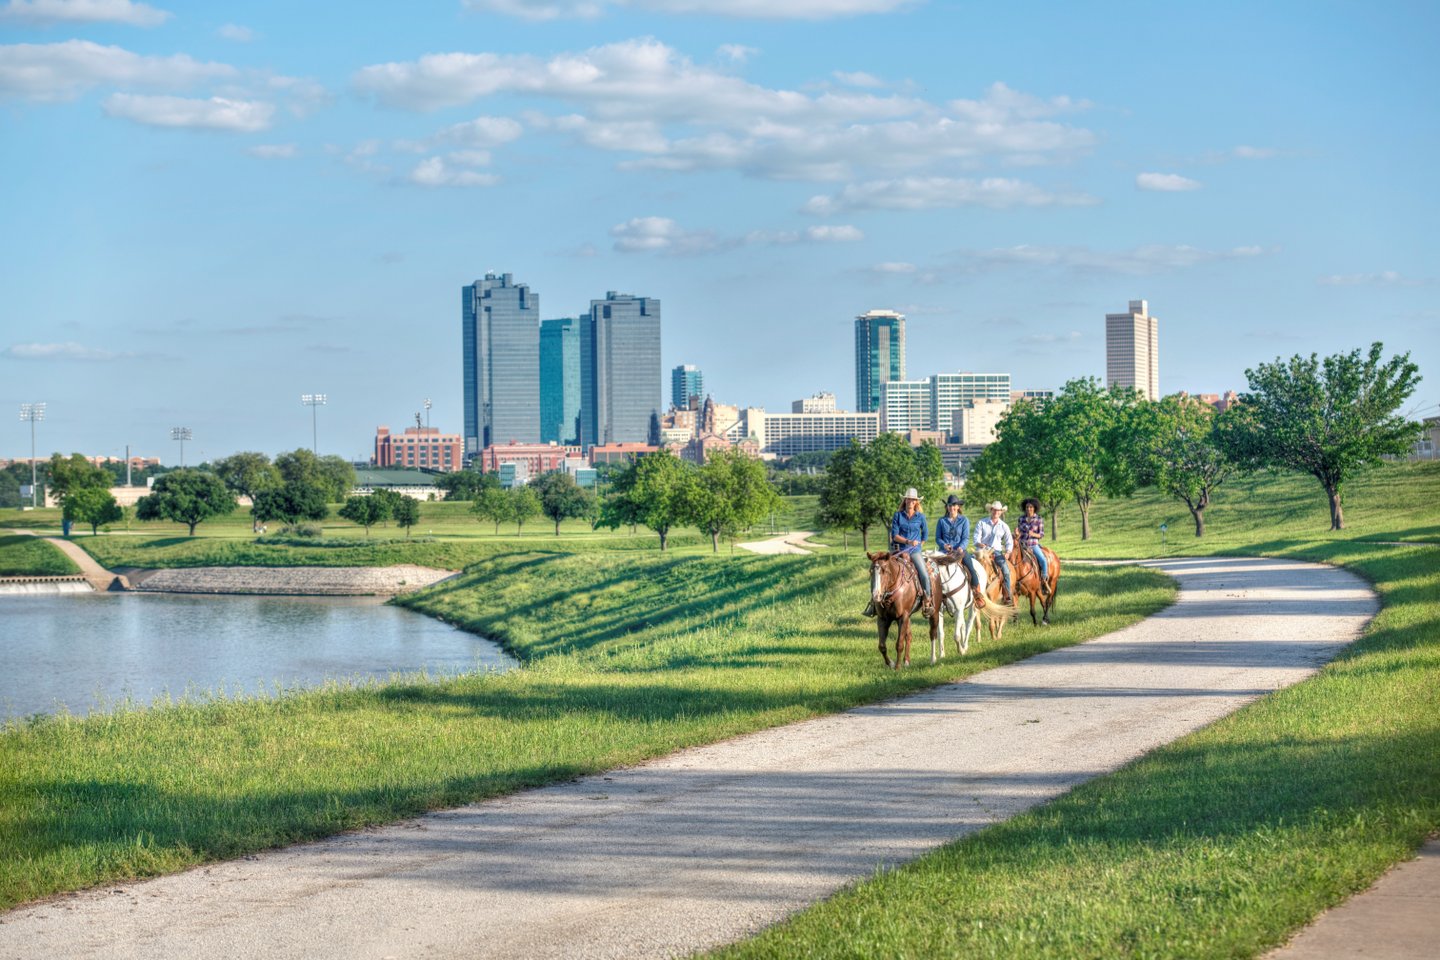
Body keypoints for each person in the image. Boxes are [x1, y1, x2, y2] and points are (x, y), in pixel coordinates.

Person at [865, 487, 931, 617]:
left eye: (914, 500)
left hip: (915, 551)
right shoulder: (898, 515)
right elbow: (894, 535)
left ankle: (927, 600)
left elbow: (925, 535)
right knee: (879, 571)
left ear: (916, 502)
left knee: (924, 574)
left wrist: (918, 546)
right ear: (905, 500)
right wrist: (908, 542)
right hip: (898, 550)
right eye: (909, 499)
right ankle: (873, 603)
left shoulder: (920, 517)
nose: (911, 501)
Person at [934, 494, 982, 600]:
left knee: (971, 568)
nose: (952, 507)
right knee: (932, 570)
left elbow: (965, 538)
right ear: (947, 507)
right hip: (944, 551)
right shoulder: (941, 521)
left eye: (954, 505)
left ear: (958, 507)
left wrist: (961, 547)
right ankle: (931, 595)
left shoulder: (964, 520)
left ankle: (977, 593)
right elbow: (938, 538)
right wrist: (944, 545)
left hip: (960, 551)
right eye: (950, 505)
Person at [973, 500, 1014, 604]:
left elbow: (1009, 541)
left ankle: (1007, 594)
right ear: (991, 510)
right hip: (982, 552)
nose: (996, 512)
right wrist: (980, 544)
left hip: (996, 552)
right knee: (969, 567)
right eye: (994, 510)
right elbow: (976, 539)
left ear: (1001, 512)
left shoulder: (1004, 526)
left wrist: (1008, 552)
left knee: (1005, 570)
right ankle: (970, 592)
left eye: (999, 510)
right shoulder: (981, 523)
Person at [1017, 498, 1051, 597]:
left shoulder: (1038, 519)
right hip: (1022, 545)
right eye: (1027, 507)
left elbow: (1041, 534)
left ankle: (1044, 580)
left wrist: (1033, 534)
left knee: (1043, 560)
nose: (1029, 509)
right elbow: (1019, 532)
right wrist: (1016, 534)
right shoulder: (1021, 519)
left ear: (1034, 508)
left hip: (1033, 545)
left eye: (1031, 507)